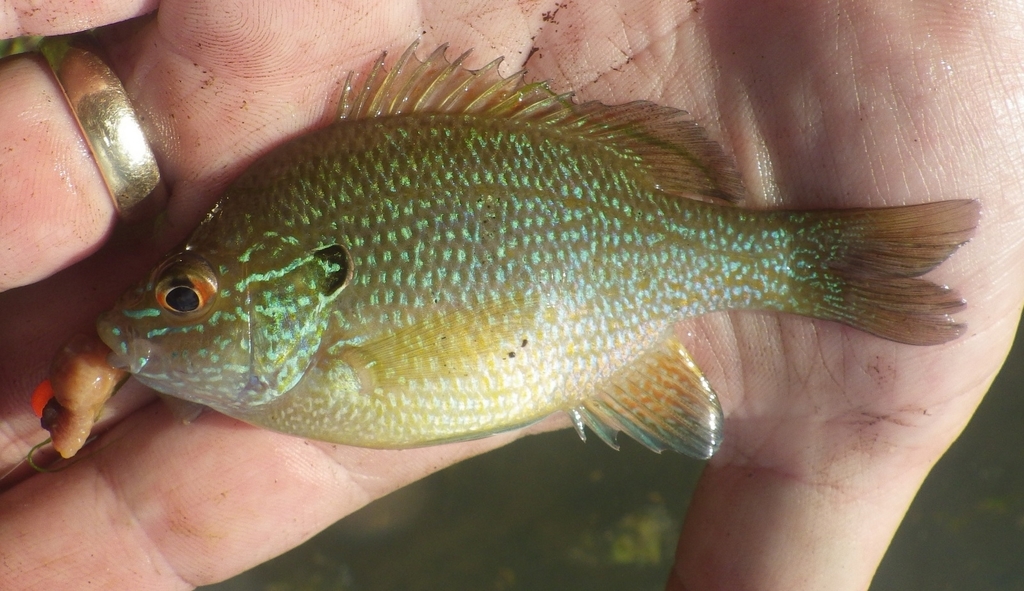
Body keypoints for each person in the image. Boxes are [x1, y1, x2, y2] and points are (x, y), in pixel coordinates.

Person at [1, 1, 1022, 588]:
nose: (143, 323)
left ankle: (818, 263)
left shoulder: (310, 319)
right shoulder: (275, 267)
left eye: (182, 299)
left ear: (303, 292)